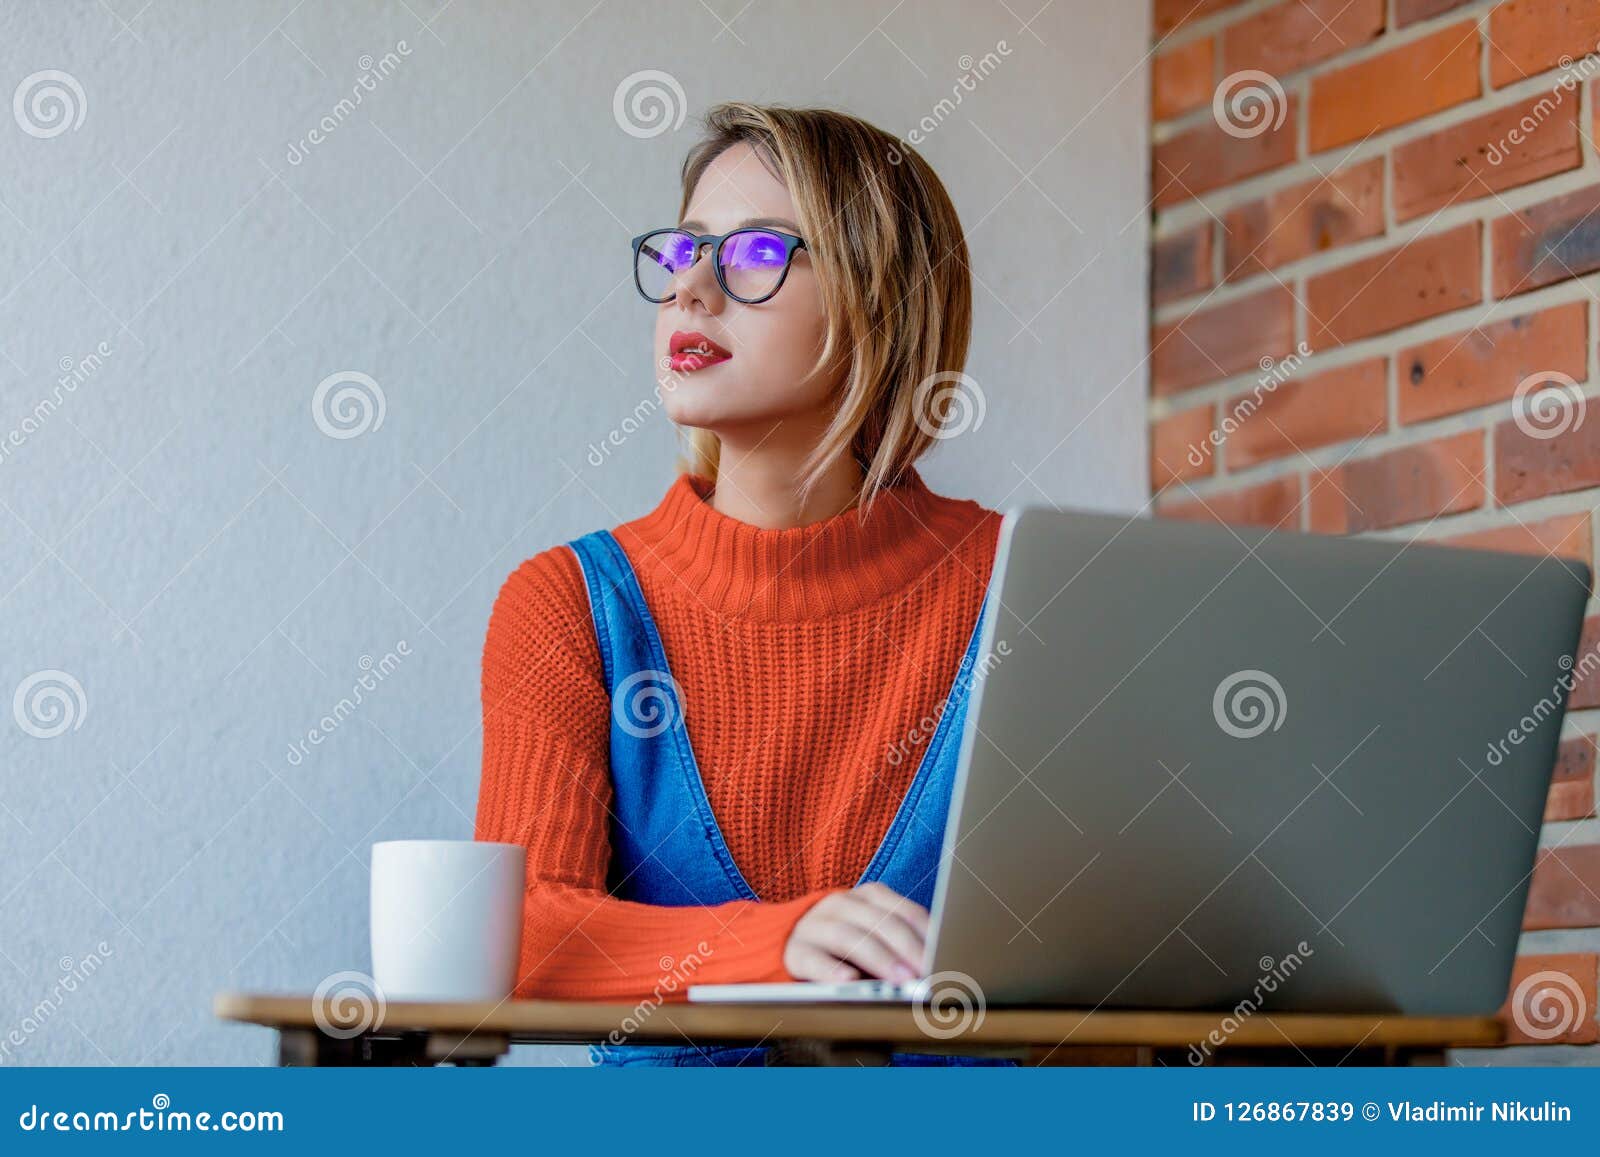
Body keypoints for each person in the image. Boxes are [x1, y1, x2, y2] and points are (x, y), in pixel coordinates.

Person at [475, 102, 1006, 1065]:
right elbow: (522, 932)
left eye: (757, 253)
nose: (691, 289)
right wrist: (774, 945)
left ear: (882, 300)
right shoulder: (569, 602)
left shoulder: (1020, 584)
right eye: (683, 252)